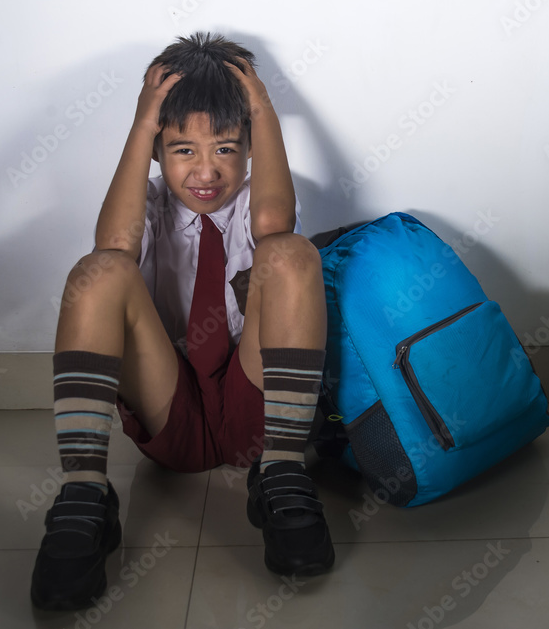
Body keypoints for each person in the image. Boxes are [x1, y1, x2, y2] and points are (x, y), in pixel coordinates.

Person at [30, 32, 334, 611]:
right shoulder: (146, 204)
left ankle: (282, 480)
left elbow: (274, 222)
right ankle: (85, 496)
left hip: (258, 422)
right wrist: (142, 124)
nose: (205, 170)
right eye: (181, 149)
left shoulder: (253, 204)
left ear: (248, 150)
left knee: (290, 251)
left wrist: (263, 110)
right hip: (172, 412)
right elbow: (114, 245)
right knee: (99, 270)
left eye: (225, 148)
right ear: (157, 151)